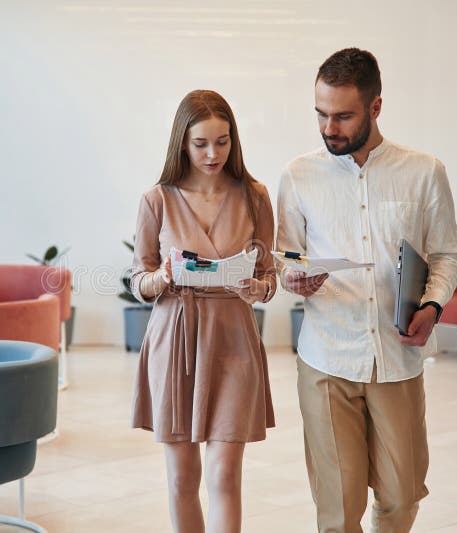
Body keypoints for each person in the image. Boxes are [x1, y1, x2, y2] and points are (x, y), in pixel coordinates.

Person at [276, 48, 457, 532]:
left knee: (401, 496)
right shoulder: (298, 175)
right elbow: (285, 259)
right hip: (326, 360)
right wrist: (293, 278)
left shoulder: (424, 172)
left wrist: (435, 304)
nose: (328, 127)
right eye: (320, 114)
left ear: (376, 107)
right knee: (337, 508)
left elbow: (446, 252)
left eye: (342, 115)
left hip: (396, 359)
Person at [130, 89, 276, 533]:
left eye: (223, 141)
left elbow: (270, 276)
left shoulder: (255, 196)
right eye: (201, 144)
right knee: (182, 478)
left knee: (224, 474)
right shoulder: (157, 199)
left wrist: (259, 289)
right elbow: (139, 279)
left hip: (233, 338)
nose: (213, 153)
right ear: (182, 143)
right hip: (175, 337)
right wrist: (164, 278)